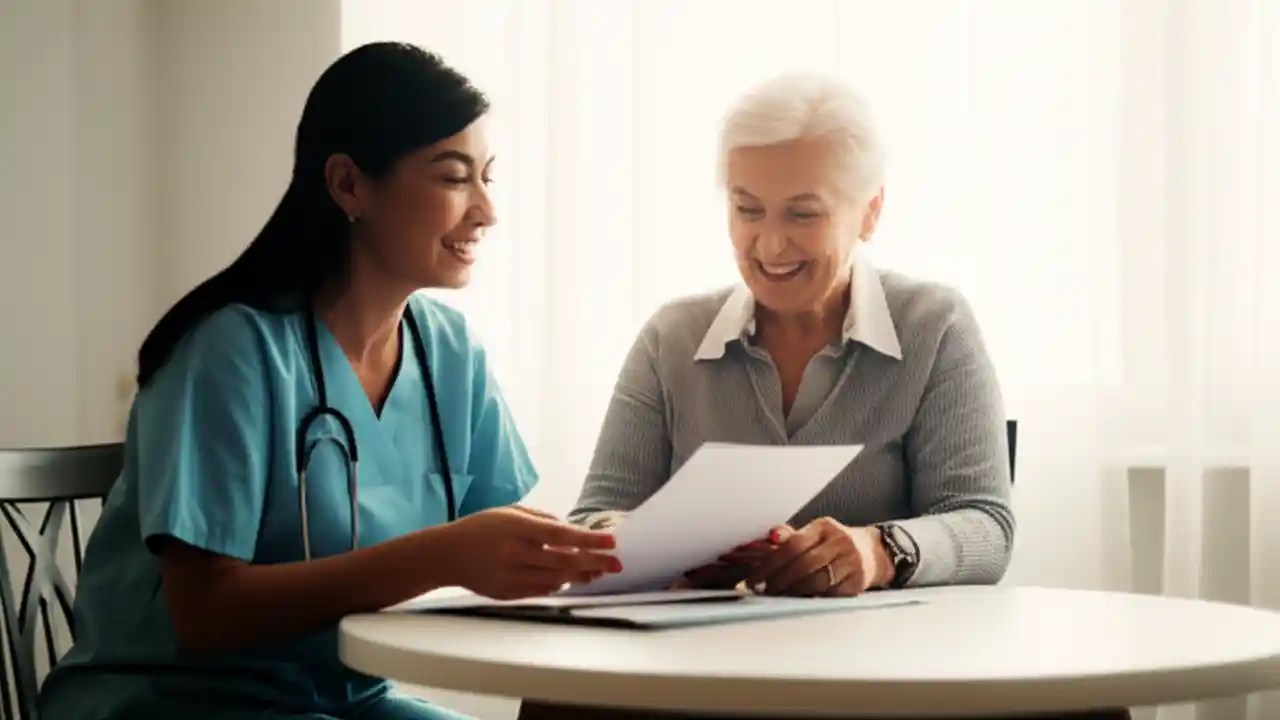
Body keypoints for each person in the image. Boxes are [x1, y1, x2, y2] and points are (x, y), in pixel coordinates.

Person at [37, 42, 620, 720]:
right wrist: (443, 555)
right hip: (175, 702)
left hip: (346, 700)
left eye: (488, 177)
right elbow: (203, 613)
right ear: (348, 184)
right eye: (454, 177)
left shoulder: (449, 352)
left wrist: (629, 555)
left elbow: (503, 551)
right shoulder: (230, 350)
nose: (486, 211)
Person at [520, 74, 1130, 720]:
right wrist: (649, 548)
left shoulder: (934, 323)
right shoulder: (672, 337)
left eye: (803, 214)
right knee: (561, 700)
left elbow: (985, 524)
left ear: (870, 211)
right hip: (703, 678)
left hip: (890, 678)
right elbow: (593, 518)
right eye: (747, 209)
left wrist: (877, 551)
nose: (770, 244)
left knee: (1088, 708)